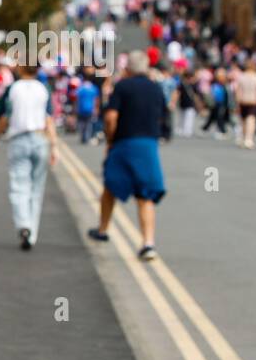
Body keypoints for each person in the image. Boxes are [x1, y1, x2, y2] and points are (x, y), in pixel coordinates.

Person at [87, 50, 166, 262]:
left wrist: (111, 140)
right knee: (145, 195)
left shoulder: (122, 86)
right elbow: (162, 116)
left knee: (111, 186)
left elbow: (111, 117)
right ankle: (148, 243)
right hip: (148, 144)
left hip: (124, 143)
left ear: (128, 68)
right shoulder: (156, 88)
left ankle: (103, 229)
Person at [0, 57, 58, 250]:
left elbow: (4, 117)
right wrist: (54, 146)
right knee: (37, 189)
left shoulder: (13, 89)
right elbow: (49, 119)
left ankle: (24, 226)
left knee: (19, 186)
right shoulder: (43, 88)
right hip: (40, 139)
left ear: (20, 68)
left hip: (18, 140)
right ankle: (32, 233)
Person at [235, 57, 256, 149]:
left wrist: (237, 102)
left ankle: (243, 137)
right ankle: (248, 139)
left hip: (243, 100)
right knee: (251, 120)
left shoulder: (241, 76)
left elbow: (238, 91)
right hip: (253, 101)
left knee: (243, 121)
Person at [174, 64, 201, 138]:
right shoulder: (193, 85)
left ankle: (182, 129)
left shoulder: (181, 84)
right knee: (188, 117)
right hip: (189, 103)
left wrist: (174, 102)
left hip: (183, 103)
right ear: (190, 77)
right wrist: (198, 104)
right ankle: (187, 131)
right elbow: (196, 96)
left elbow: (177, 93)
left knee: (183, 116)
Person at [75, 70, 100, 144]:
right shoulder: (94, 88)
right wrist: (96, 108)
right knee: (89, 123)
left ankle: (83, 136)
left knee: (82, 123)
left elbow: (77, 99)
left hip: (81, 108)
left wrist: (75, 108)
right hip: (90, 108)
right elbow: (96, 99)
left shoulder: (81, 88)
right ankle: (86, 136)